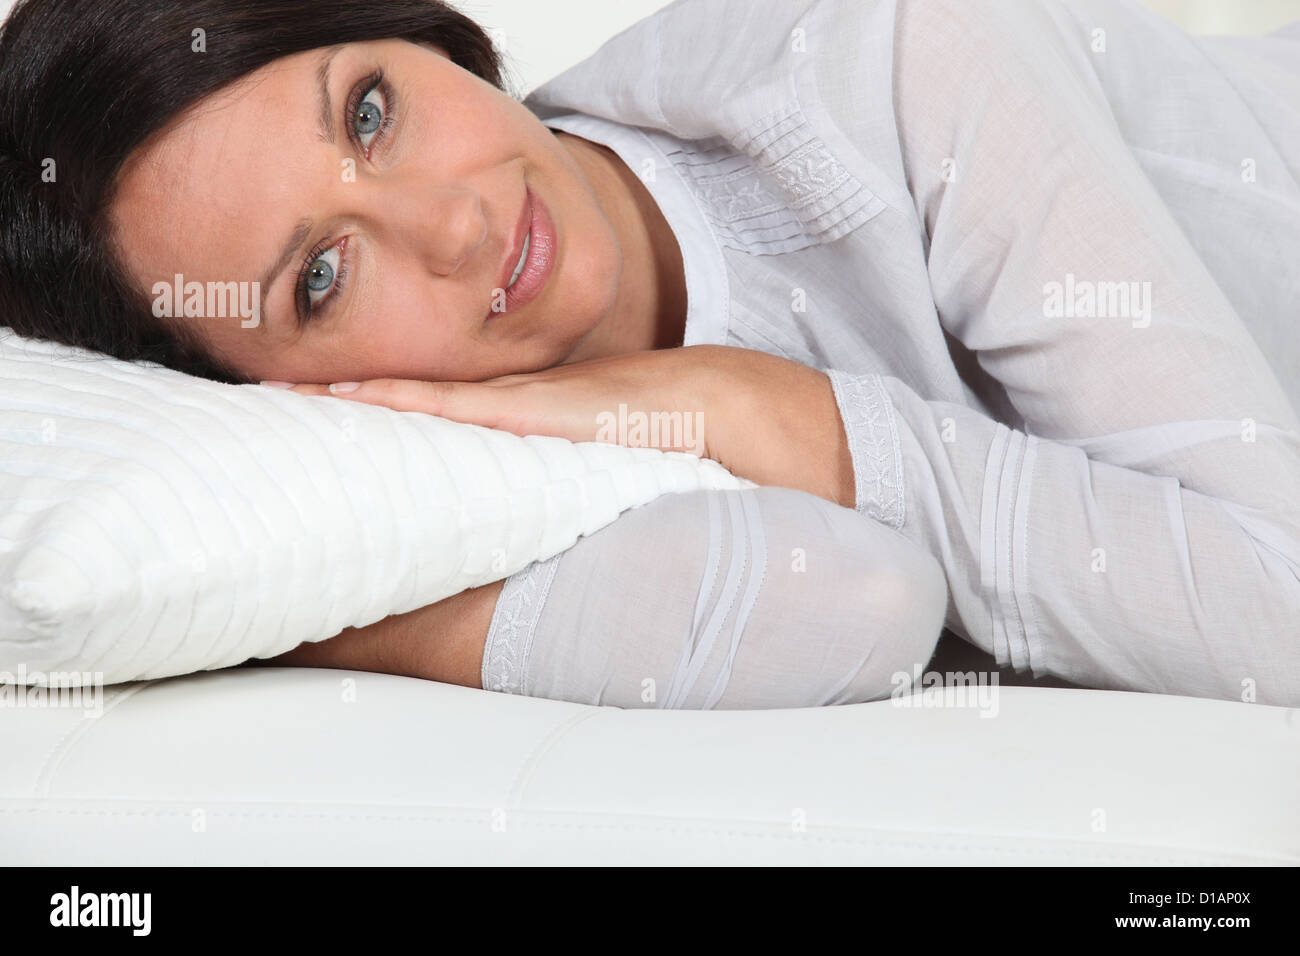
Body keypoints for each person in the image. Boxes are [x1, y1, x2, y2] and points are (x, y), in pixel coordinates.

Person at [2, 0, 1297, 707]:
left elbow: (1277, 609)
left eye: (372, 110)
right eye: (323, 277)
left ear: (421, 31)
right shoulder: (521, 461)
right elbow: (853, 601)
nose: (455, 225)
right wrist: (283, 611)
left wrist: (797, 425)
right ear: (287, 403)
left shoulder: (890, 56)